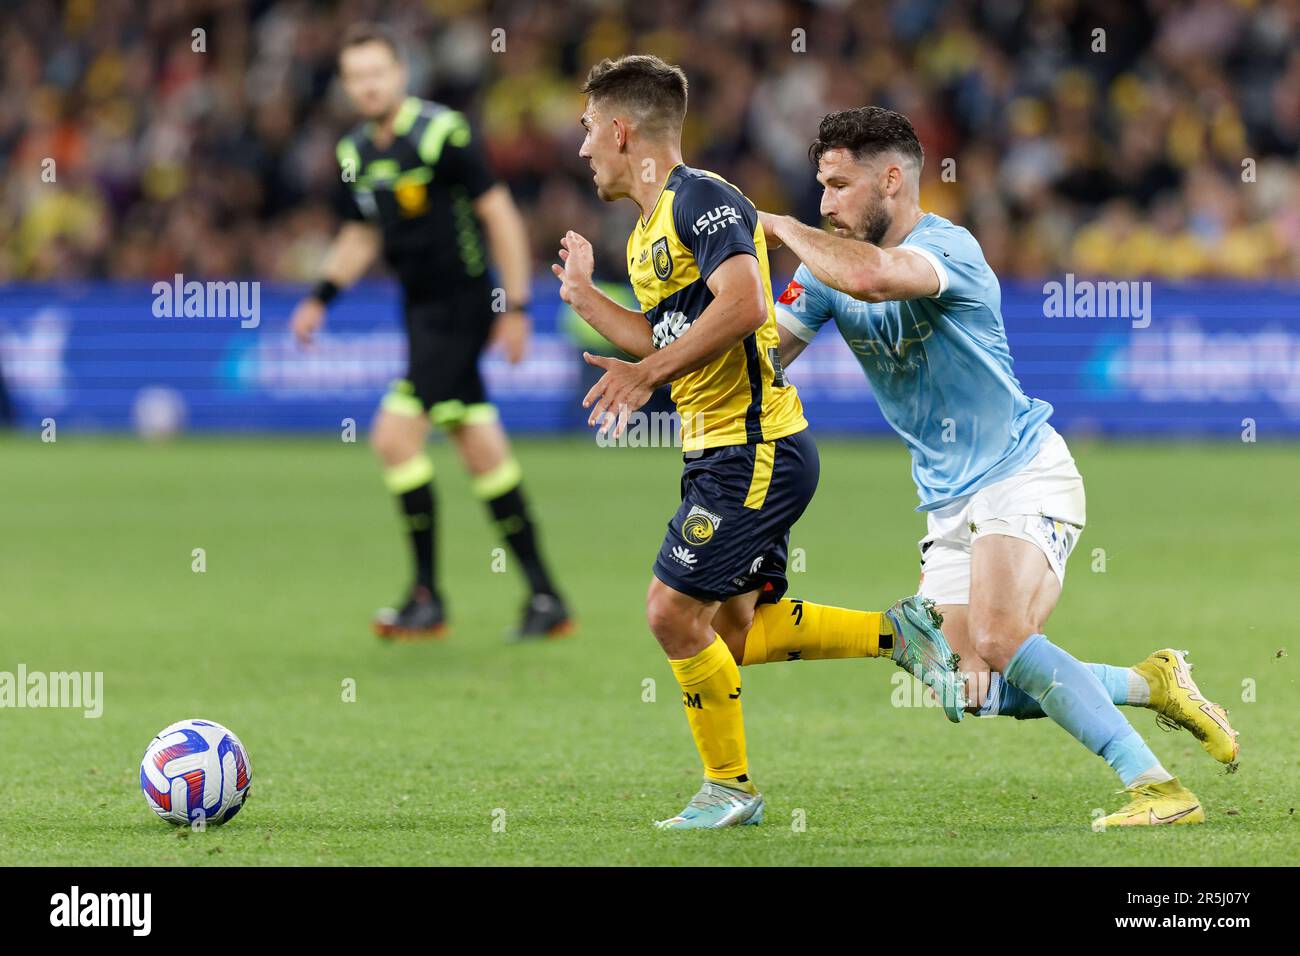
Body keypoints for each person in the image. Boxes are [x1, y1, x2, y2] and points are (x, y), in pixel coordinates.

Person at [763, 106, 1238, 828]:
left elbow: (878, 280)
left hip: (1022, 472)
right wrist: (658, 354)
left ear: (891, 180)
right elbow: (764, 353)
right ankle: (1152, 682)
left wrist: (775, 226)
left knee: (999, 635)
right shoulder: (827, 271)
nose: (823, 203)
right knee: (970, 685)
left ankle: (1156, 786)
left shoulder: (947, 248)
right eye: (818, 188)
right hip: (948, 502)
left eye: (837, 185)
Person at [554, 57, 962, 830]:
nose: (581, 151)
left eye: (586, 132)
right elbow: (669, 333)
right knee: (733, 635)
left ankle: (730, 788)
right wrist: (587, 300)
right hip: (721, 449)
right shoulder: (646, 232)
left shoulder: (702, 200)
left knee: (671, 613)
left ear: (619, 130)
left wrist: (647, 377)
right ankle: (898, 631)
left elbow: (745, 308)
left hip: (754, 446)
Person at [289, 24, 570, 641]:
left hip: (464, 307)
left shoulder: (444, 134)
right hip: (418, 313)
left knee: (394, 437)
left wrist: (517, 306)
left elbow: (499, 214)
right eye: (356, 77)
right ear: (345, 85)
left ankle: (426, 598)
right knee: (479, 448)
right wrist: (320, 298)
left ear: (401, 74)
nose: (368, 86)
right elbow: (360, 236)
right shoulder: (353, 155)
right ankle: (546, 598)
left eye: (377, 73)